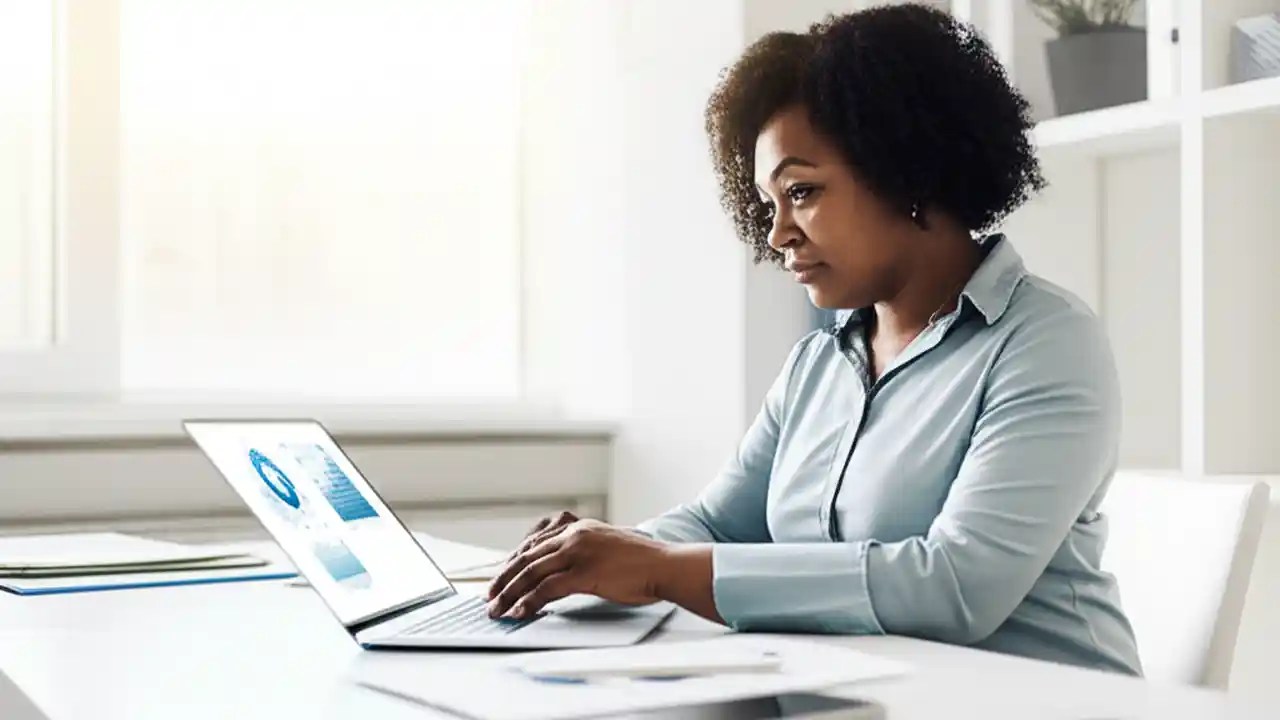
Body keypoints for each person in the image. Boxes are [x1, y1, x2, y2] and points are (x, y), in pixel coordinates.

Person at [485, 4, 1141, 676]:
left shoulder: (1046, 344)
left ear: (907, 168)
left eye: (802, 191)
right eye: (769, 204)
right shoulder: (821, 363)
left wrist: (656, 571)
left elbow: (956, 586)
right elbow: (717, 524)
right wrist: (597, 555)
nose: (777, 234)